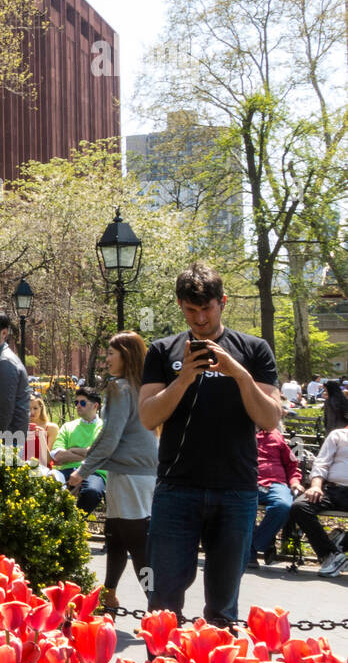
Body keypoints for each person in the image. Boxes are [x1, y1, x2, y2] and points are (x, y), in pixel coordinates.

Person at [140, 262, 282, 626]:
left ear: (223, 302)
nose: (200, 318)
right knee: (163, 602)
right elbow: (148, 416)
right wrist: (185, 377)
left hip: (235, 490)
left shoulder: (254, 349)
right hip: (176, 489)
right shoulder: (161, 350)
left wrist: (239, 373)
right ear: (180, 305)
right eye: (191, 310)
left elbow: (269, 419)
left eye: (207, 308)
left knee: (222, 607)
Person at [68, 332, 157, 610]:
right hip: (137, 473)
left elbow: (110, 436)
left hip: (131, 475)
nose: (106, 359)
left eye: (110, 353)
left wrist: (83, 470)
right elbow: (108, 436)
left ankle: (158, 604)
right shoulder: (140, 387)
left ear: (126, 356)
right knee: (115, 534)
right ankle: (110, 594)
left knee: (137, 544)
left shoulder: (120, 387)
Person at [288, 422, 348, 576]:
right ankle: (330, 554)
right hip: (334, 489)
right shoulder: (338, 435)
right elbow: (321, 463)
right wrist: (316, 486)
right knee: (300, 506)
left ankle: (342, 543)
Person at [250, 420, 303, 567]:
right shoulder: (238, 435)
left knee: (283, 506)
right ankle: (249, 553)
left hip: (275, 484)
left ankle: (252, 547)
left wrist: (294, 482)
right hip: (247, 482)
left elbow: (292, 465)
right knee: (240, 505)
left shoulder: (275, 436)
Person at [52, 387, 108, 513]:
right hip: (66, 471)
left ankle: (74, 523)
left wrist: (72, 450)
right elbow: (57, 456)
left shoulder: (105, 428)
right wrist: (88, 453)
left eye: (82, 403)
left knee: (92, 492)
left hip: (94, 472)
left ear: (95, 406)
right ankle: (59, 524)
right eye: (76, 402)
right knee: (46, 486)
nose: (78, 406)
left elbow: (102, 454)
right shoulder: (68, 427)